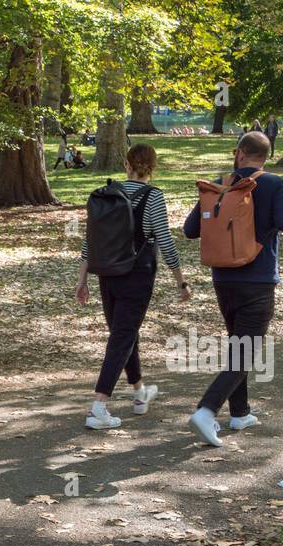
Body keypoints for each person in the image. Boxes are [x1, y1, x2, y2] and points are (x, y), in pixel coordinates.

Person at [182, 130, 283, 446]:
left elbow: (190, 229)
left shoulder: (220, 182)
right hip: (258, 279)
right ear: (266, 154)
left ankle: (240, 412)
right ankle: (207, 410)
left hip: (223, 279)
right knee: (246, 352)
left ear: (239, 153)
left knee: (239, 344)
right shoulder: (275, 184)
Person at [76, 144, 191, 430]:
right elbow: (165, 242)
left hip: (106, 274)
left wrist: (82, 279)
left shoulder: (107, 194)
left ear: (127, 165)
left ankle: (139, 392)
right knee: (122, 336)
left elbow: (89, 240)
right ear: (152, 167)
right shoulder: (153, 197)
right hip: (137, 276)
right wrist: (181, 282)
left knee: (124, 333)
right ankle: (99, 407)